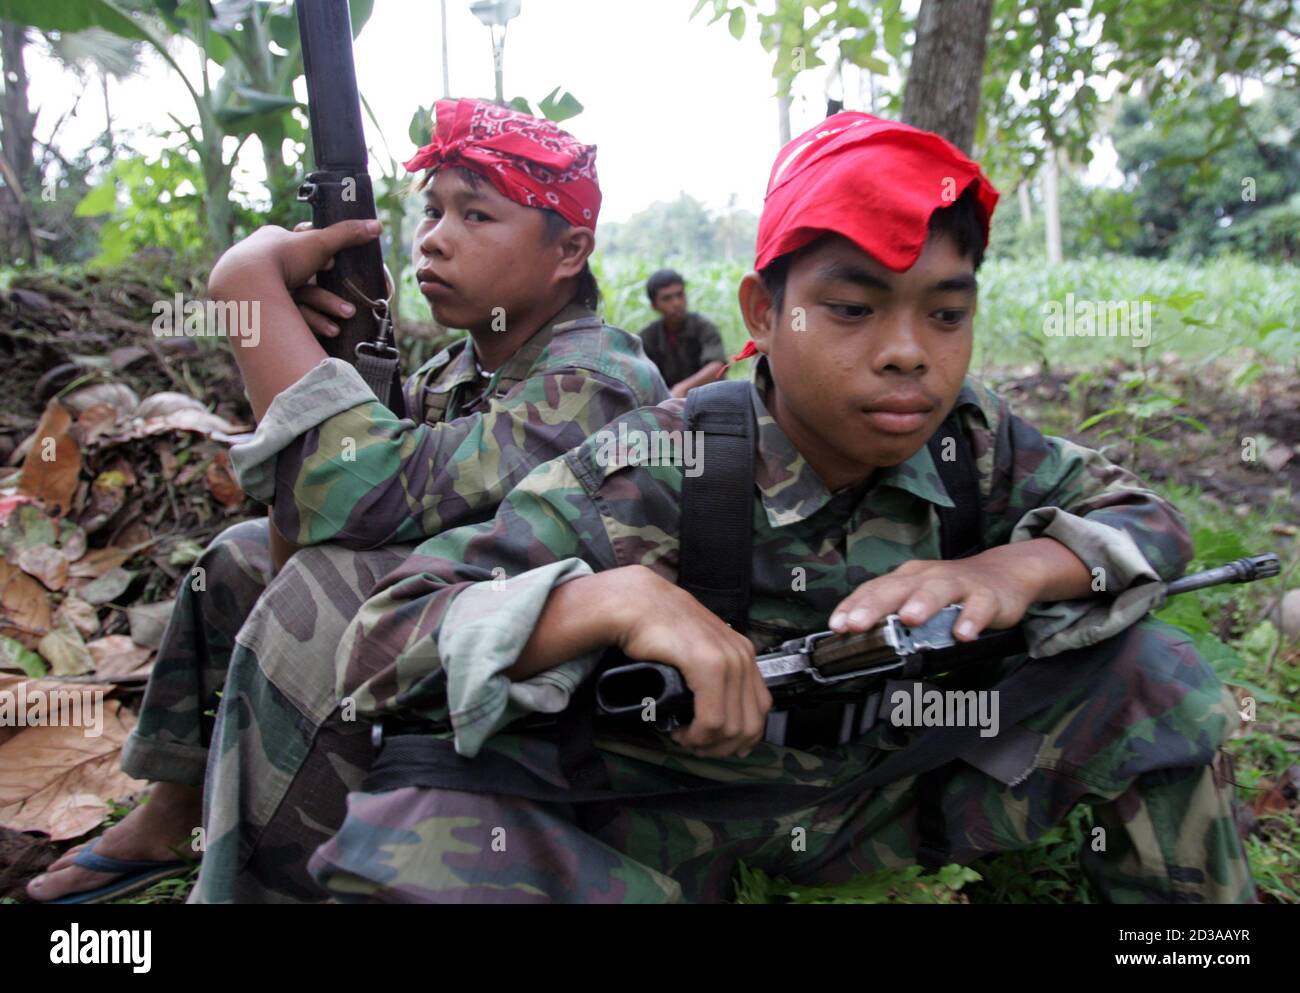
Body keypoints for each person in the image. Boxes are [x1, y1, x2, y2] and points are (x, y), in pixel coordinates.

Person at [298, 112, 1252, 904]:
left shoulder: (973, 440)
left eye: (946, 313)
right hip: (661, 825)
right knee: (412, 835)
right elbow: (386, 641)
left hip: (898, 791)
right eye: (853, 309)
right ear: (762, 314)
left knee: (1153, 673)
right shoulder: (660, 463)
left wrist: (1008, 567)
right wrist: (616, 601)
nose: (909, 352)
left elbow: (1146, 519)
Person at [26, 98, 667, 903]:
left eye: (477, 214)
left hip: (557, 682)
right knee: (236, 558)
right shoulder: (456, 372)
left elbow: (360, 503)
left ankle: (261, 875)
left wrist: (249, 295)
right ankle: (173, 812)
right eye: (432, 210)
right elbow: (309, 525)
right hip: (443, 623)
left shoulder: (595, 379)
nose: (435, 236)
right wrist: (332, 359)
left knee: (324, 591)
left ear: (569, 249)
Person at [639, 269, 727, 397]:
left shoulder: (703, 327)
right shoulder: (648, 337)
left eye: (680, 295)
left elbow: (717, 366)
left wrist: (683, 388)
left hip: (709, 397)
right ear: (654, 305)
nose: (676, 303)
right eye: (666, 298)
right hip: (668, 404)